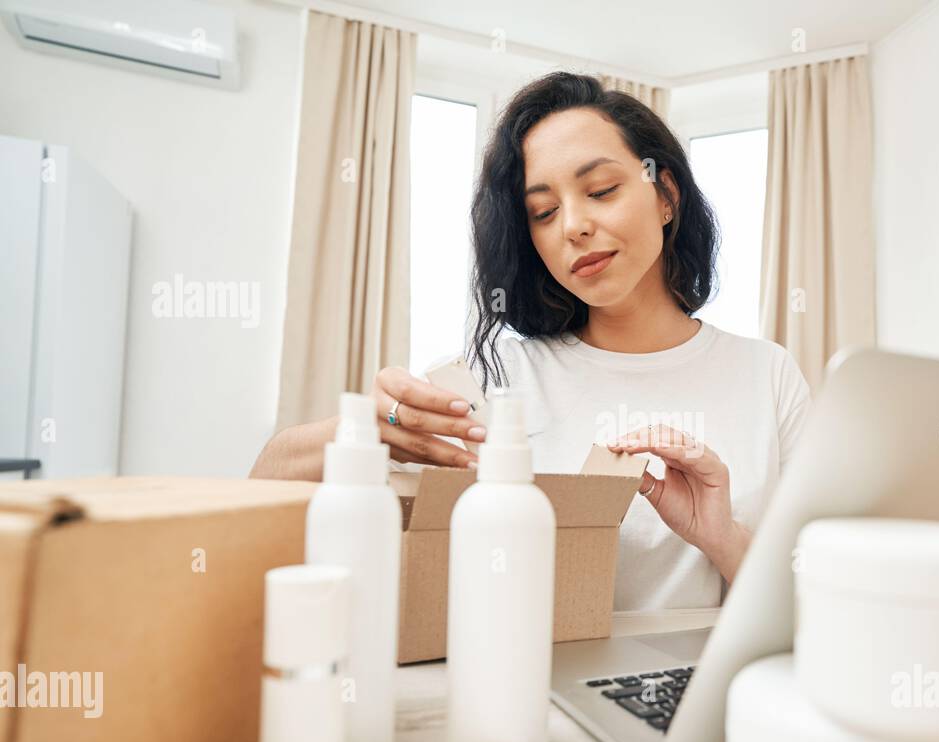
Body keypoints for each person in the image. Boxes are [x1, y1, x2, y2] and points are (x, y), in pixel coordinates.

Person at [251, 71, 811, 610]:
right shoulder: (490, 379)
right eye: (543, 212)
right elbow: (263, 486)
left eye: (601, 189)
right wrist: (362, 430)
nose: (573, 226)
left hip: (714, 688)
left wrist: (721, 537)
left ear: (666, 194)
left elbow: (813, 602)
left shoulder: (767, 373)